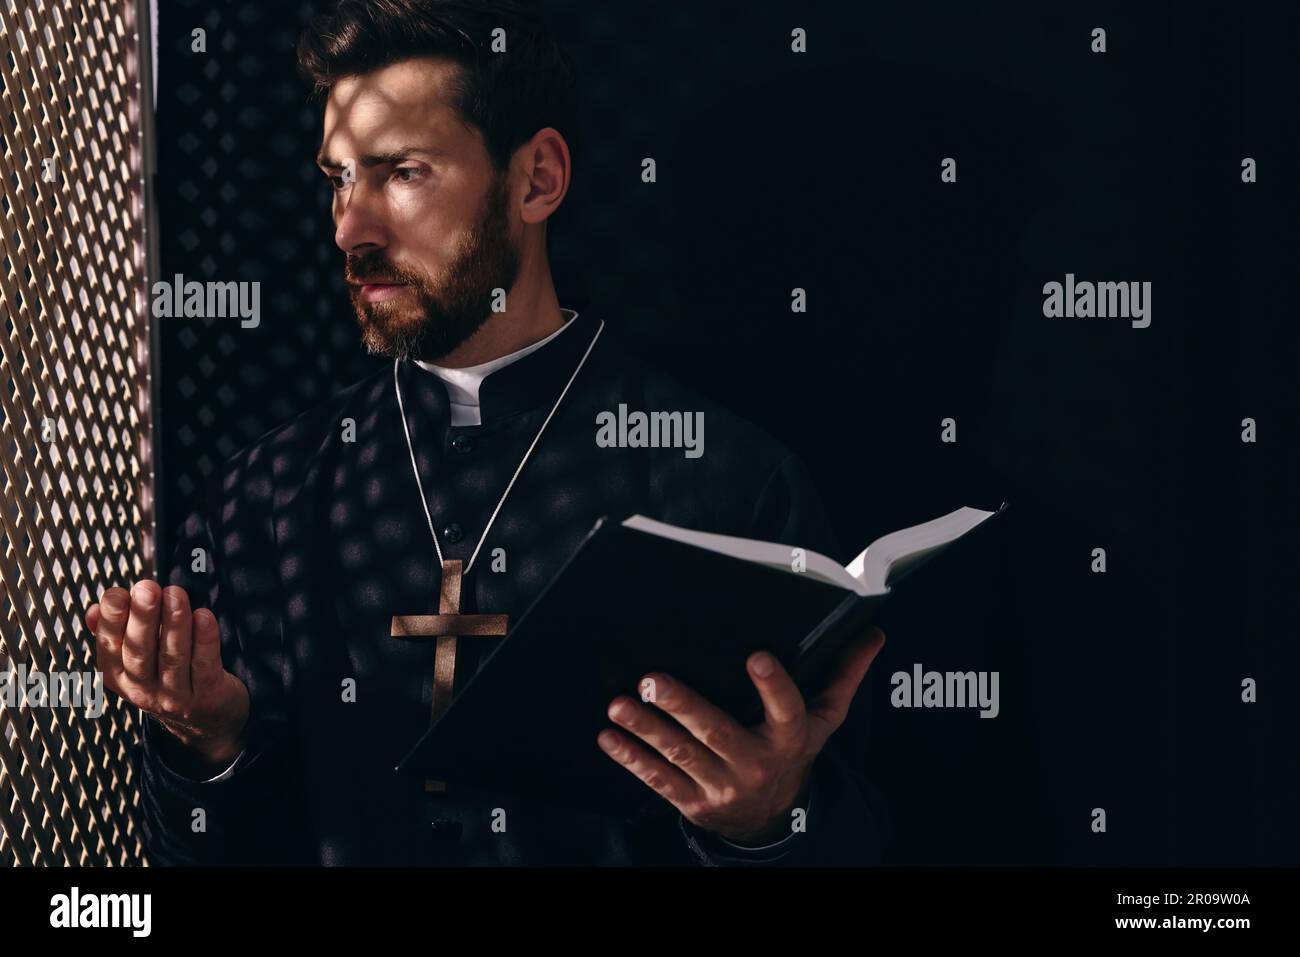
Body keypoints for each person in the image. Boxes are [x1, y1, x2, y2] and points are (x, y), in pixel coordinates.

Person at [87, 0, 889, 865]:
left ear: (537, 179)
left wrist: (766, 823)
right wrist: (210, 747)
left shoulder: (729, 482)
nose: (350, 227)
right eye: (338, 177)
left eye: (402, 172)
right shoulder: (262, 500)